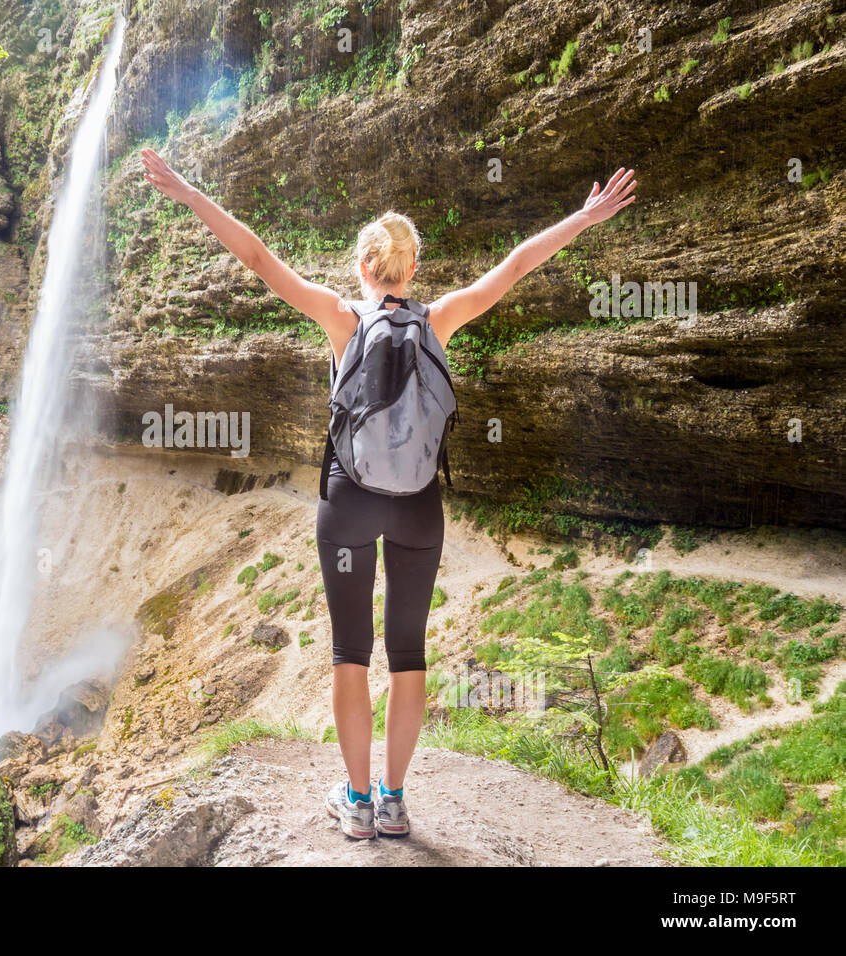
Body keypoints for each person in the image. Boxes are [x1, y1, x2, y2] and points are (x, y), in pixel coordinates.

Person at [140, 147, 637, 838]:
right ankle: (396, 800)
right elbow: (519, 264)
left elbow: (257, 259)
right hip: (418, 508)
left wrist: (189, 192)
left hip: (349, 503)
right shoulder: (441, 319)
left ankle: (356, 803)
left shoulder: (342, 318)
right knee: (407, 652)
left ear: (365, 269)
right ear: (413, 271)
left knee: (350, 649)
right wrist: (584, 216)